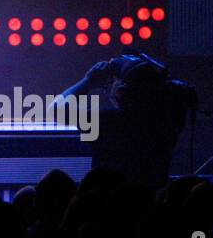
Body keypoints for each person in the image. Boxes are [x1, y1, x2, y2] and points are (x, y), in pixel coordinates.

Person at [52, 52, 198, 188]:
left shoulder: (109, 123)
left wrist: (88, 81)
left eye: (116, 80)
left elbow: (56, 109)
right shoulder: (167, 123)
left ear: (123, 90)